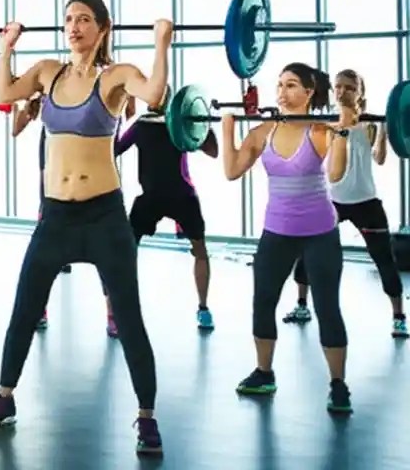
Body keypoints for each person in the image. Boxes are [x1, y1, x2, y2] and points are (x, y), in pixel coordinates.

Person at [0, 0, 170, 456]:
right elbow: (2, 93)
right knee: (25, 308)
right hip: (56, 216)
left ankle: (146, 417)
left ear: (103, 28)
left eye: (84, 19)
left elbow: (155, 94)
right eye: (68, 19)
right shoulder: (49, 72)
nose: (74, 26)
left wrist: (162, 44)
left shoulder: (115, 76)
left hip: (104, 216)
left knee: (129, 318)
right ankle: (4, 396)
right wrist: (6, 47)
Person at [221, 63, 356, 413]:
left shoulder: (320, 131)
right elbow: (232, 171)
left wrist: (342, 131)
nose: (282, 92)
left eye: (291, 85)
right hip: (276, 233)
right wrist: (227, 130)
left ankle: (338, 384)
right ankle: (264, 373)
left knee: (327, 308)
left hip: (319, 233)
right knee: (263, 302)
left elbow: (337, 174)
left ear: (309, 93)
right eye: (279, 85)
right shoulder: (264, 132)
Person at [283, 69, 405, 338]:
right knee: (306, 249)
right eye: (338, 87)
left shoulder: (371, 124)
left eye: (349, 87)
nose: (341, 92)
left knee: (384, 259)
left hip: (366, 204)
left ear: (360, 92)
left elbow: (380, 158)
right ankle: (302, 305)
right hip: (332, 201)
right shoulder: (328, 123)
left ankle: (399, 317)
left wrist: (385, 130)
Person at [112, 87, 219, 331]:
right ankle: (123, 308)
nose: (154, 98)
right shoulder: (141, 125)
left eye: (160, 94)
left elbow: (213, 152)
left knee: (200, 251)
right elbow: (115, 150)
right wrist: (116, 118)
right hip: (151, 197)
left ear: (168, 100)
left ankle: (203, 308)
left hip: (183, 196)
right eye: (152, 93)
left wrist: (201, 121)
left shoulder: (180, 123)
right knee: (126, 251)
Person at [9, 91, 72, 331]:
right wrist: (15, 104)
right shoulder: (42, 101)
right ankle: (39, 310)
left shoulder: (80, 101)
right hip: (50, 184)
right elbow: (16, 129)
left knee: (105, 257)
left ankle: (113, 315)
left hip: (79, 181)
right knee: (41, 258)